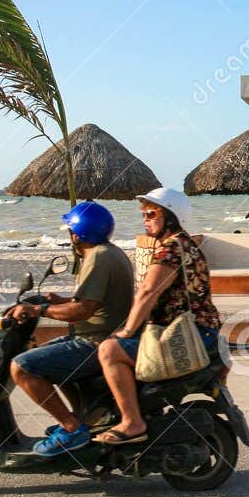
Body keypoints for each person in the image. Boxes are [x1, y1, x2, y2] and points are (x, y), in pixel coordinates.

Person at [95, 186, 222, 447]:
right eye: (143, 214)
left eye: (151, 214)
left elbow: (147, 291)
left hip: (189, 335)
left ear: (172, 218)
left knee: (109, 351)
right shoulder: (183, 244)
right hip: (198, 330)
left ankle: (132, 422)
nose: (145, 219)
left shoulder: (172, 248)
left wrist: (127, 331)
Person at [8, 201, 134, 457]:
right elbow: (95, 302)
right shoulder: (110, 252)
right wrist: (61, 301)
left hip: (96, 343)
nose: (70, 237)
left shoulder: (98, 258)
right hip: (102, 338)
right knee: (46, 354)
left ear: (78, 234)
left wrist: (37, 310)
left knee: (21, 367)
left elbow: (82, 311)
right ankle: (82, 418)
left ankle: (72, 428)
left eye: (70, 232)